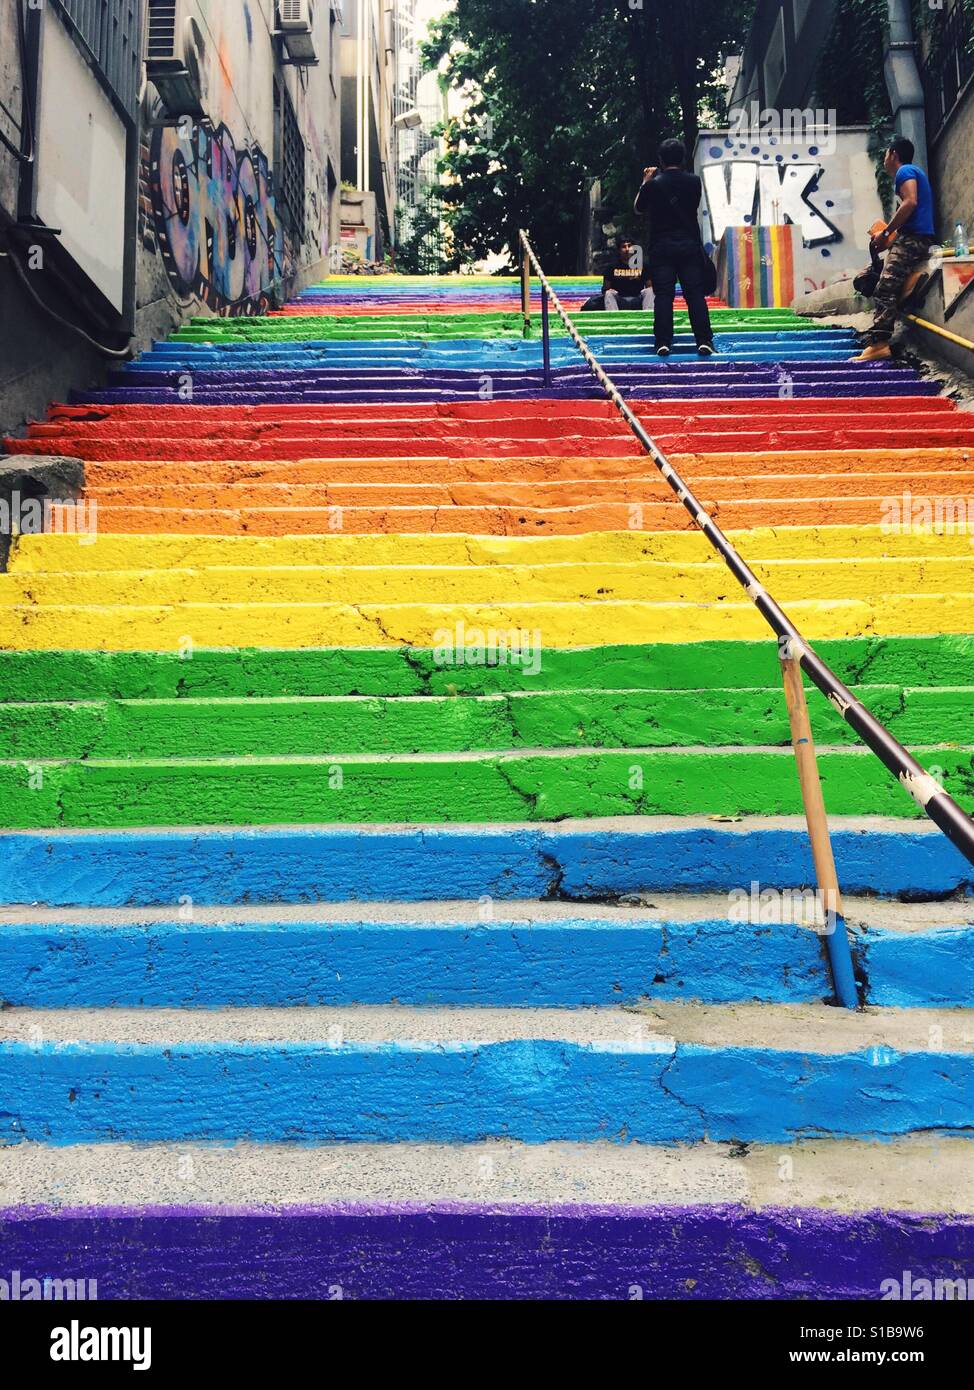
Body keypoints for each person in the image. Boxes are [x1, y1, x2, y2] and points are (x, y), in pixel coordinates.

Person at [851, 137, 937, 363]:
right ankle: (910, 282)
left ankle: (879, 344)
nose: (884, 160)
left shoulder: (905, 171)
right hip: (913, 238)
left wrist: (887, 232)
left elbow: (910, 203)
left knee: (883, 288)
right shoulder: (913, 172)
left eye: (886, 155)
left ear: (894, 155)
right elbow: (908, 214)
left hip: (913, 240)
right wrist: (886, 237)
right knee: (884, 281)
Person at [634, 138, 715, 357]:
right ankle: (704, 339)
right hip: (689, 245)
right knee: (695, 295)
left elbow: (639, 208)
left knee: (663, 296)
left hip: (662, 247)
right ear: (683, 158)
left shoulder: (653, 184)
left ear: (660, 160)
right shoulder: (694, 182)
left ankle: (663, 341)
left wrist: (646, 180)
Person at [601, 234, 653, 311]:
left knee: (650, 291)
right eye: (623, 247)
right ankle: (613, 318)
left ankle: (648, 316)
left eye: (629, 246)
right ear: (619, 250)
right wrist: (609, 291)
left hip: (637, 299)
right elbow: (606, 289)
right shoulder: (611, 267)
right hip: (619, 300)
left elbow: (649, 286)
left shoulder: (643, 266)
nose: (627, 249)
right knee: (608, 293)